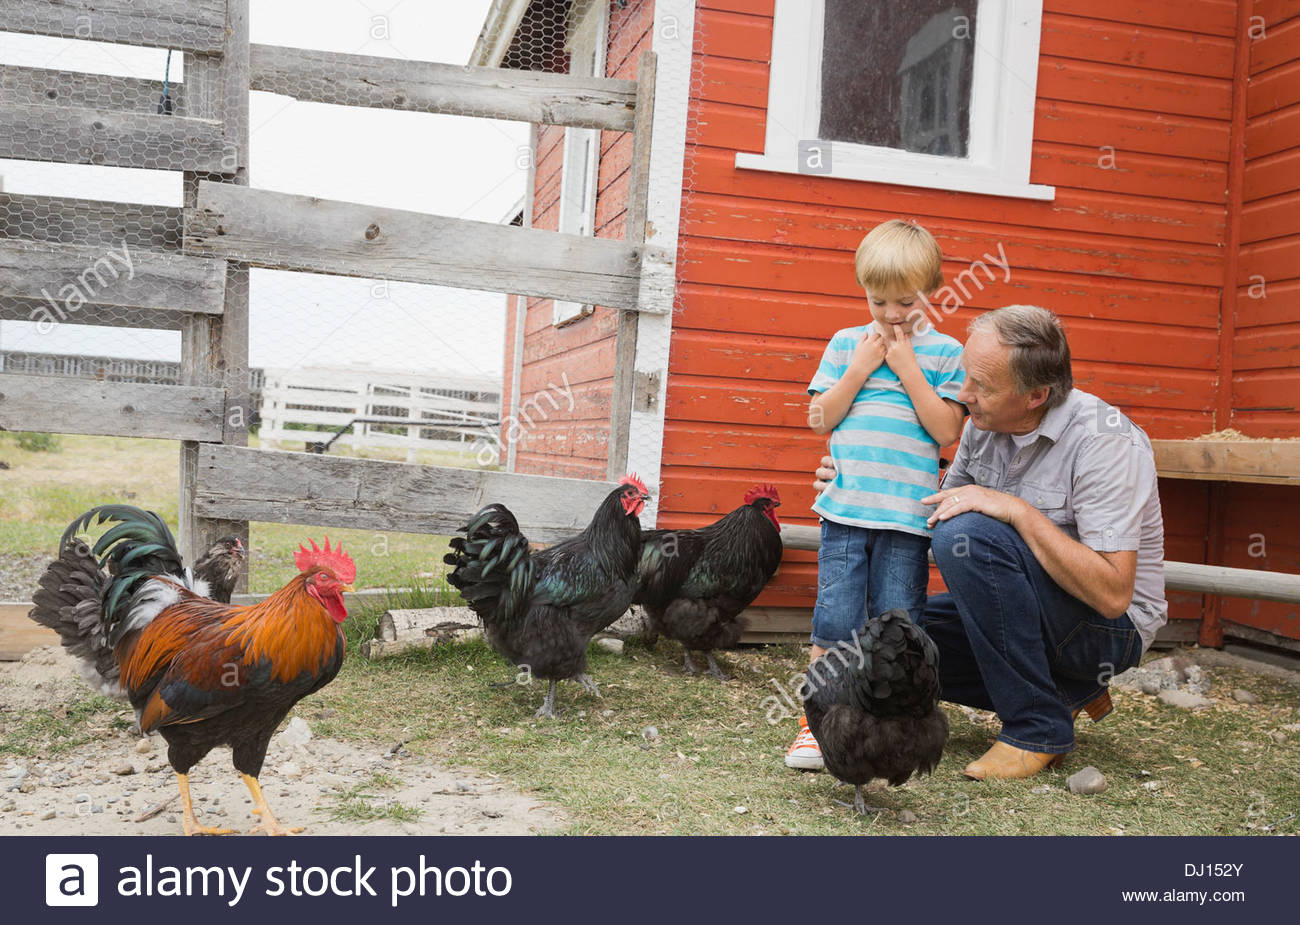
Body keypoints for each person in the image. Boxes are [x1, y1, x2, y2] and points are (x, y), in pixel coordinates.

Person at [812, 305, 1167, 780]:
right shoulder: (985, 426)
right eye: (966, 377)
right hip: (1026, 612)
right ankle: (1066, 688)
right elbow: (937, 504)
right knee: (896, 636)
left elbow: (1112, 594)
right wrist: (862, 481)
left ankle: (1036, 727)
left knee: (970, 533)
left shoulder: (1107, 443)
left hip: (1104, 631)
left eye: (982, 385)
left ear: (1036, 395)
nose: (964, 395)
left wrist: (1016, 510)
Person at [786, 219, 966, 771]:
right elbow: (821, 419)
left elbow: (946, 432)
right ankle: (817, 728)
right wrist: (861, 368)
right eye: (878, 299)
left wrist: (906, 367)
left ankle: (894, 731)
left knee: (899, 626)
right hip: (845, 512)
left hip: (907, 520)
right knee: (835, 623)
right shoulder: (846, 344)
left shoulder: (944, 353)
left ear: (931, 291)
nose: (890, 313)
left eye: (905, 301)